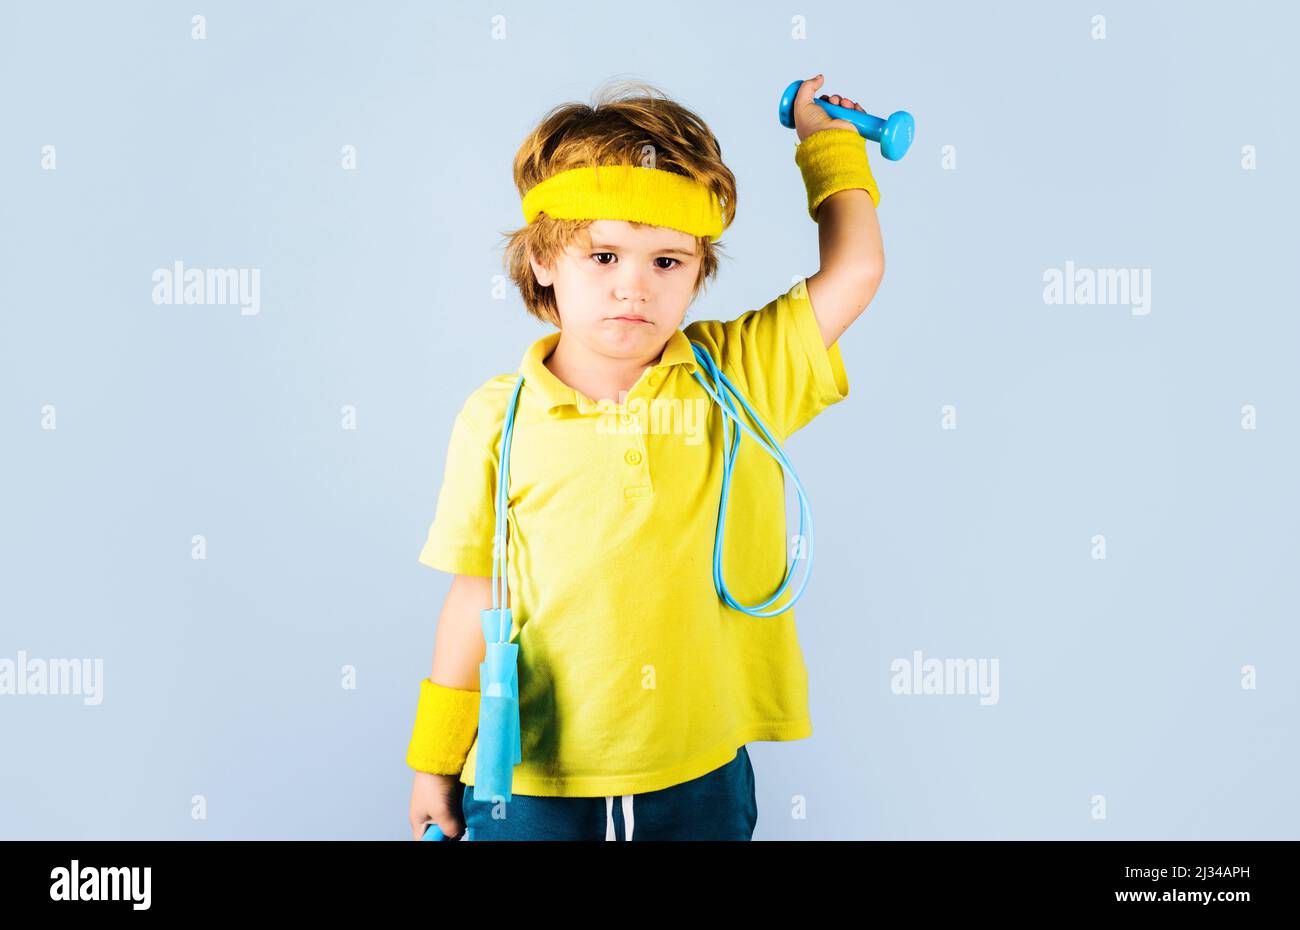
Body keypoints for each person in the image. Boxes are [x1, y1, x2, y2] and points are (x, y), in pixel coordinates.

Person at [406, 73, 885, 840]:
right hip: (532, 780)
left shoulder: (739, 377)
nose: (634, 287)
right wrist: (434, 761)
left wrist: (824, 143)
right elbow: (476, 594)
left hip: (699, 778)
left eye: (667, 262)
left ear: (699, 273)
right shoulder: (497, 418)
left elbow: (855, 272)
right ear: (541, 262)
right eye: (602, 256)